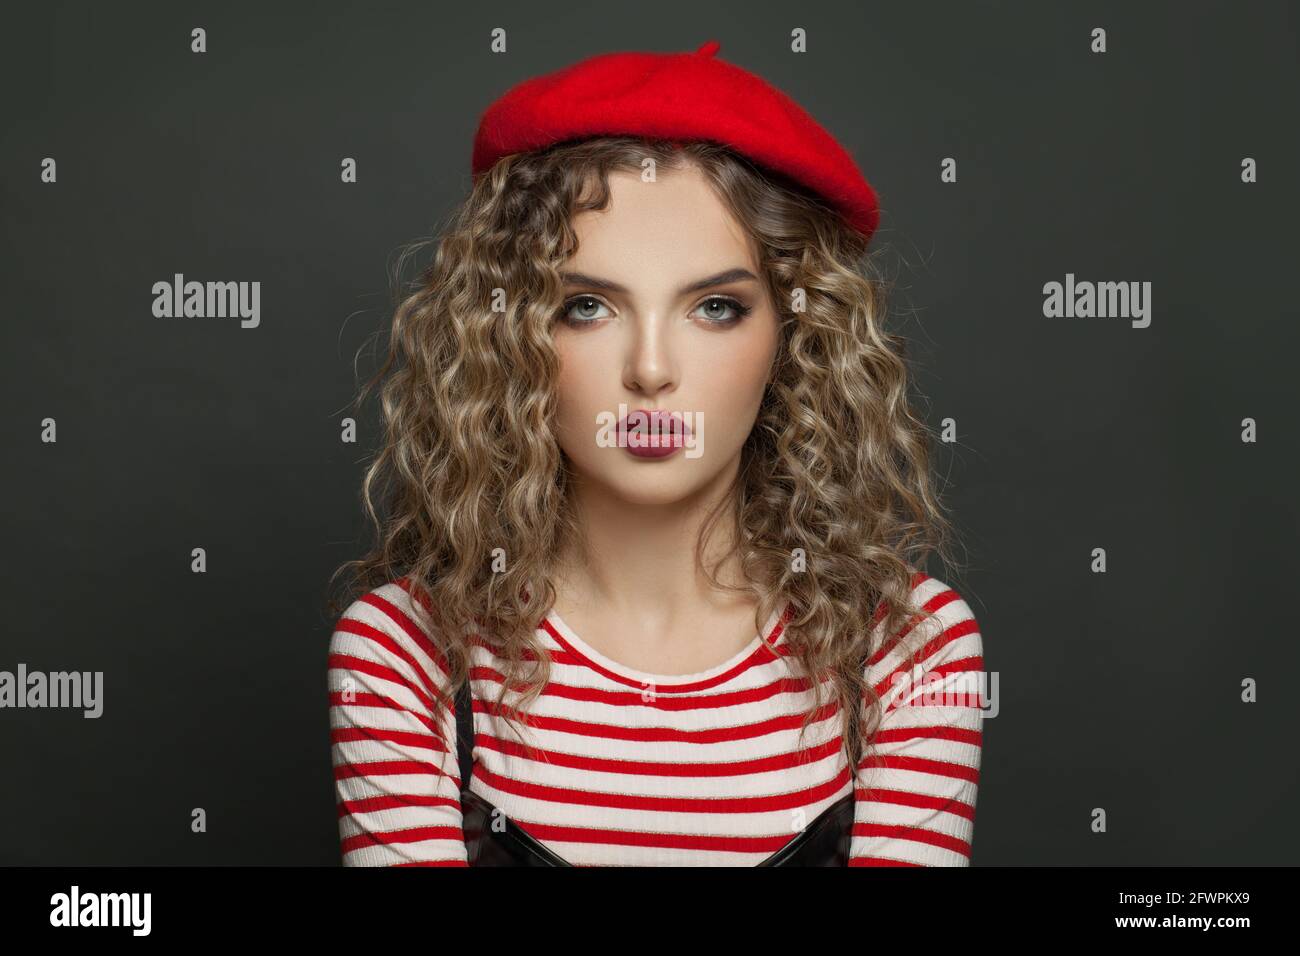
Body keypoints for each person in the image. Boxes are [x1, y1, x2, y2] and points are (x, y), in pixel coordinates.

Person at [325, 40, 985, 866]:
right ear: (510, 335)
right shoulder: (405, 655)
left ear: (796, 334)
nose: (650, 370)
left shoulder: (908, 651)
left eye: (714, 307)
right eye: (588, 307)